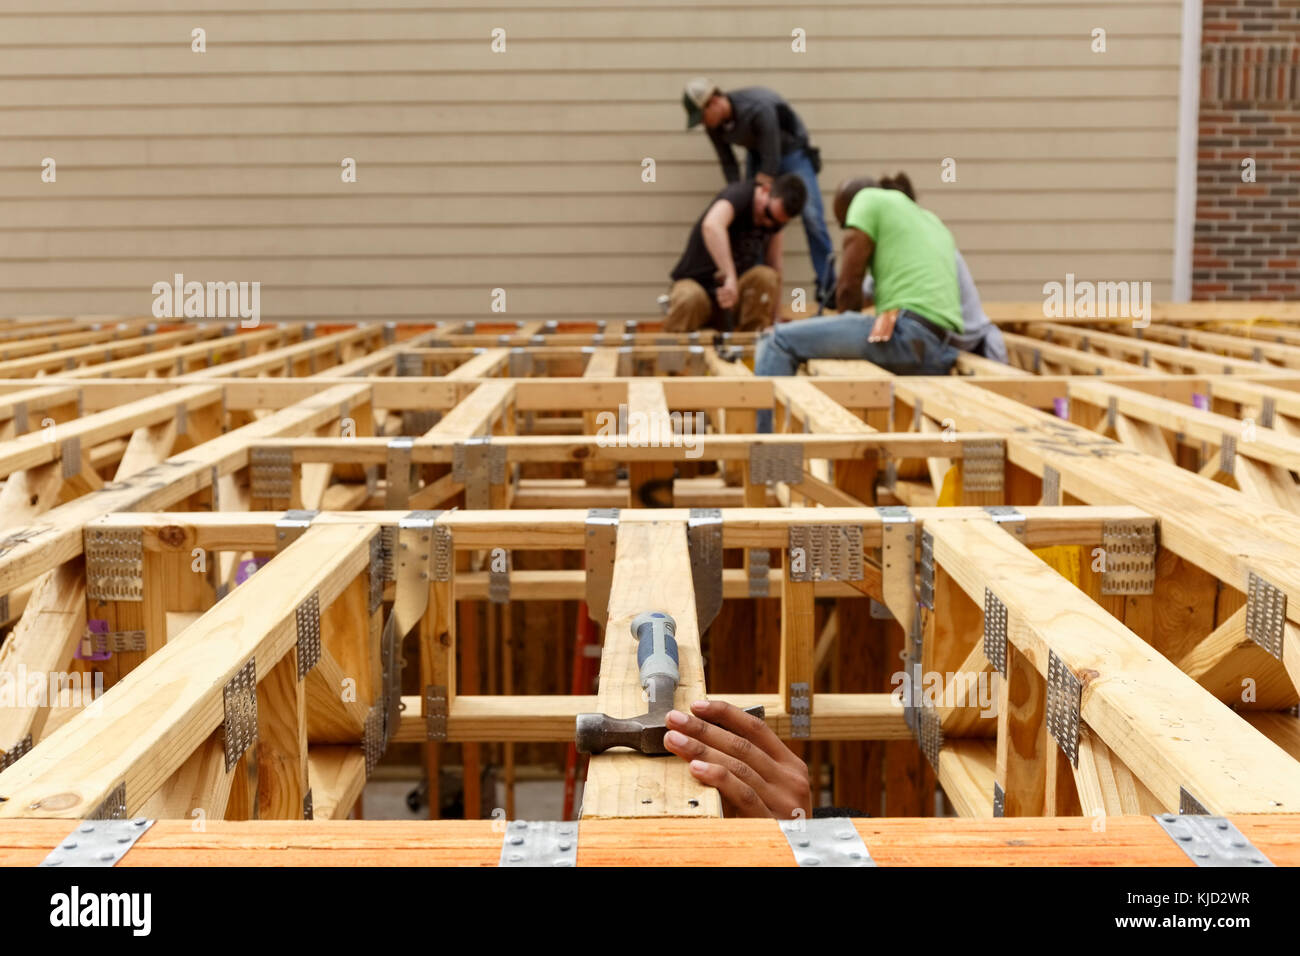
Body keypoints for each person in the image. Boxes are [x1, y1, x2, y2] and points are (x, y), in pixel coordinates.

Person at [753, 177, 964, 429]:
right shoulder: (929, 219)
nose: (849, 227)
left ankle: (769, 465)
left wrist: (841, 321)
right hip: (939, 348)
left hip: (906, 334)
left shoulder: (866, 199)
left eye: (846, 223)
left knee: (776, 341)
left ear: (848, 208)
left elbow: (849, 284)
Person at [682, 79, 836, 307]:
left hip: (792, 151)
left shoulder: (757, 107)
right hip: (758, 154)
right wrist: (737, 195)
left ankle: (829, 287)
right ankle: (757, 292)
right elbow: (728, 162)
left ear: (713, 102)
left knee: (812, 216)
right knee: (754, 221)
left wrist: (763, 182)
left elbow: (772, 151)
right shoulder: (714, 127)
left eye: (703, 117)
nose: (704, 124)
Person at [859, 173, 1008, 363]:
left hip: (975, 347)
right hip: (956, 343)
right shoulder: (924, 237)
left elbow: (863, 296)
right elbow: (868, 293)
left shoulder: (911, 245)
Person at [666, 174, 806, 332]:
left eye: (776, 225)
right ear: (765, 190)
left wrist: (775, 319)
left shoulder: (773, 223)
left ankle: (754, 347)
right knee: (688, 297)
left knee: (766, 277)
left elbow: (775, 268)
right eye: (768, 214)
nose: (768, 223)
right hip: (698, 287)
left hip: (732, 300)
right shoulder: (739, 195)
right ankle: (674, 353)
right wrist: (730, 276)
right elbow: (712, 225)